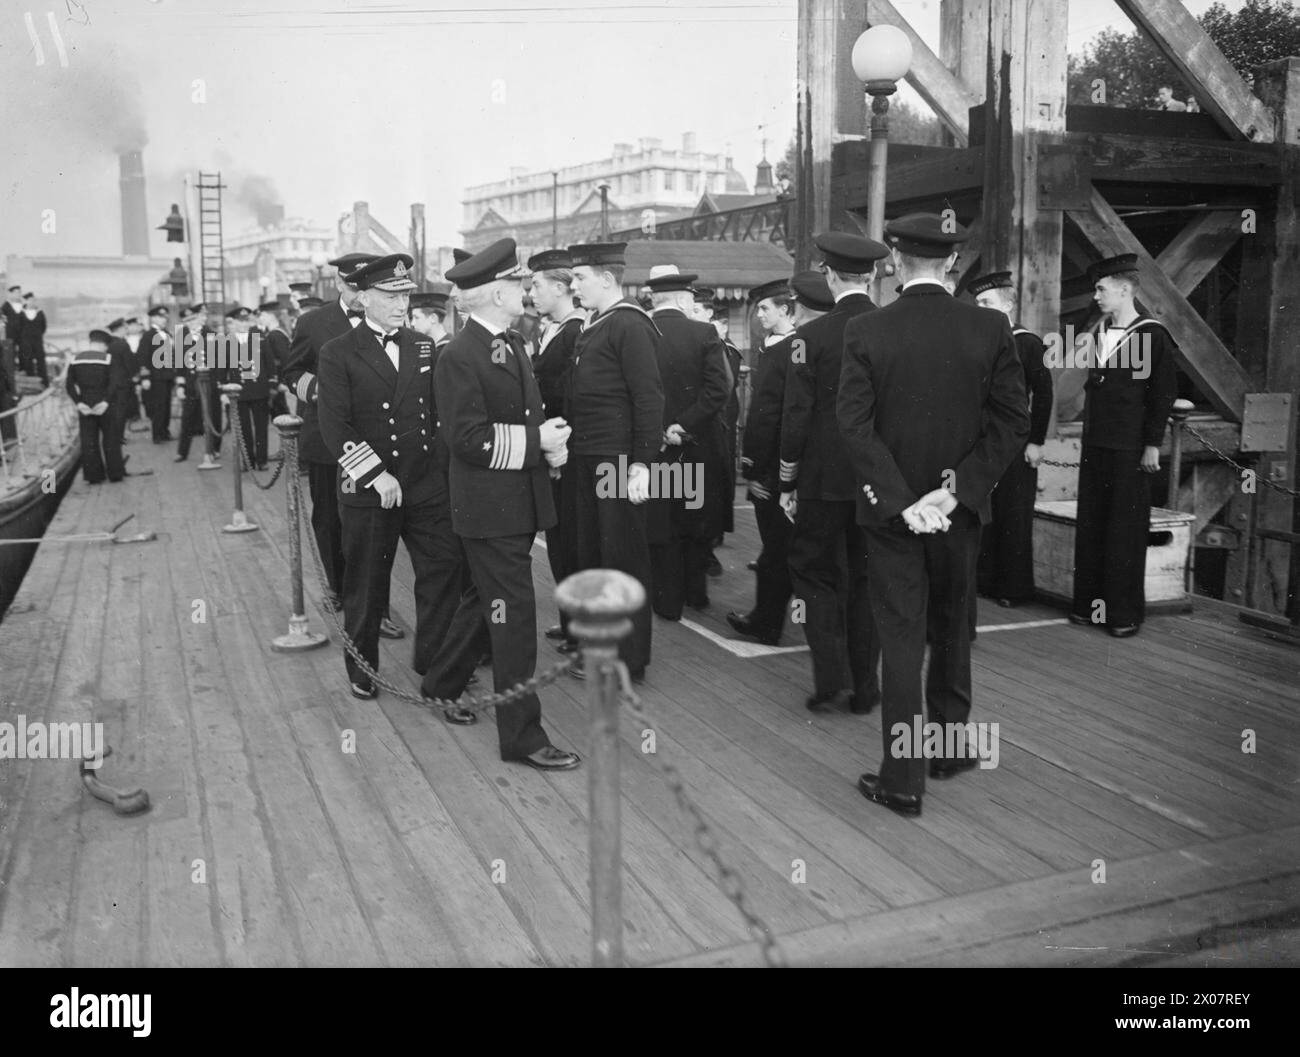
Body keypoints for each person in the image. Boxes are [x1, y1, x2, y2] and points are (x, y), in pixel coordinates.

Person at [838, 213, 1028, 818]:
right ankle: (948, 749)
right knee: (952, 626)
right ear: (950, 264)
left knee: (899, 638)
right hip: (960, 514)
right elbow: (1011, 422)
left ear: (894, 259)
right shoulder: (990, 327)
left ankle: (902, 781)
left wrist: (901, 501)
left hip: (891, 518)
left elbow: (854, 426)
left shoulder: (866, 330)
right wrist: (956, 492)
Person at [418, 239, 580, 770]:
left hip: (510, 502)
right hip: (492, 509)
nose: (525, 290)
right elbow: (467, 439)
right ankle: (522, 739)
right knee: (514, 620)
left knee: (483, 603)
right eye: (516, 284)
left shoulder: (508, 342)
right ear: (492, 294)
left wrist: (542, 435)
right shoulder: (459, 354)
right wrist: (540, 444)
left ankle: (442, 684)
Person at [316, 254, 465, 704]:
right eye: (390, 294)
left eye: (404, 294)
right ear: (363, 298)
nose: (401, 303)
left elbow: (438, 414)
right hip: (372, 490)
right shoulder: (337, 352)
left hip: (424, 485)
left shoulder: (422, 345)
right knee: (365, 586)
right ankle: (362, 667)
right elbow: (335, 426)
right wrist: (375, 474)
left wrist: (437, 471)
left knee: (442, 575)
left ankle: (435, 662)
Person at [779, 232, 887, 715]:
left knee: (815, 574)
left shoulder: (808, 338)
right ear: (872, 274)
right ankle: (866, 688)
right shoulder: (894, 328)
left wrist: (787, 479)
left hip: (821, 481)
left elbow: (796, 417)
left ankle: (829, 679)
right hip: (878, 481)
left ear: (828, 274)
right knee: (868, 579)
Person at [564, 241, 665, 681]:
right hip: (590, 457)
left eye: (580, 278)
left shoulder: (629, 325)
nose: (574, 286)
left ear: (607, 279)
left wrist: (643, 463)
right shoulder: (598, 324)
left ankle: (627, 659)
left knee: (621, 557)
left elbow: (649, 398)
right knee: (595, 555)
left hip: (618, 461)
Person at [282, 253, 397, 631]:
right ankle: (336, 587)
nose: (357, 292)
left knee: (373, 525)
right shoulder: (313, 322)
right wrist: (317, 390)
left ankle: (376, 606)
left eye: (363, 285)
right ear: (338, 284)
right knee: (329, 518)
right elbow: (292, 371)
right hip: (326, 440)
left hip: (375, 437)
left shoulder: (386, 317)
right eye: (351, 285)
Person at [1071, 252, 1178, 638]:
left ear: (1124, 288)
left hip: (1130, 447)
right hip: (1097, 444)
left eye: (1101, 288)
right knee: (1093, 524)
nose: (1096, 295)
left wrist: (1152, 444)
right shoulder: (1100, 332)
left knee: (1124, 530)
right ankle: (1089, 606)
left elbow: (1161, 394)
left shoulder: (1151, 335)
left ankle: (1122, 614)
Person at [729, 272, 830, 645]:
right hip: (779, 467)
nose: (759, 315)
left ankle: (768, 622)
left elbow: (776, 416)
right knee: (782, 549)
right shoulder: (777, 346)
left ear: (788, 310)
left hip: (775, 469)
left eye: (766, 308)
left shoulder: (791, 348)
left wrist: (757, 467)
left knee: (778, 550)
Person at [644, 270, 730, 619]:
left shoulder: (639, 333)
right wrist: (684, 424)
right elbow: (719, 390)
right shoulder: (704, 332)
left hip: (654, 448)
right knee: (694, 520)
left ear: (654, 299)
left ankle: (666, 600)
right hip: (695, 445)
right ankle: (696, 595)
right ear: (683, 300)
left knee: (661, 523)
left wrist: (660, 428)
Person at [969, 271, 1054, 607]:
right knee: (987, 511)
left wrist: (1037, 441)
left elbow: (1044, 393)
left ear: (1007, 305)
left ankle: (1014, 588)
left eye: (986, 302)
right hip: (985, 439)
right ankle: (986, 580)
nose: (980, 308)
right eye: (977, 303)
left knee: (1014, 514)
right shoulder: (980, 339)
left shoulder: (1028, 342)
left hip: (1017, 443)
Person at [525, 248, 585, 649]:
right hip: (553, 449)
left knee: (574, 544)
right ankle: (570, 622)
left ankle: (580, 630)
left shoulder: (578, 332)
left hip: (571, 453)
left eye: (536, 285)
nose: (531, 294)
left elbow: (572, 400)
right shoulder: (553, 329)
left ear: (561, 288)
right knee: (561, 543)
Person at [67, 330, 126, 484]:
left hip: (85, 405)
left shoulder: (75, 359)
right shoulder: (108, 359)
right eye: (106, 346)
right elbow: (114, 383)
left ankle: (94, 476)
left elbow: (69, 385)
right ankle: (115, 473)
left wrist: (79, 403)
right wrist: (105, 402)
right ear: (102, 344)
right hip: (105, 405)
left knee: (89, 441)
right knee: (111, 439)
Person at [235, 302, 284, 470]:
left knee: (261, 427)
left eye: (246, 321)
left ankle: (261, 461)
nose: (243, 324)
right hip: (238, 391)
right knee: (244, 428)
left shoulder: (259, 336)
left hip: (259, 389)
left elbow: (269, 362)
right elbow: (221, 367)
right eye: (239, 321)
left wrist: (273, 383)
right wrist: (223, 390)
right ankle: (248, 460)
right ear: (234, 323)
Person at [138, 304, 177, 442]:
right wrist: (145, 377)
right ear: (153, 318)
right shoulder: (148, 336)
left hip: (167, 375)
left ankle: (165, 432)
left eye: (165, 317)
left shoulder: (167, 334)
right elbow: (143, 358)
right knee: (158, 406)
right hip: (156, 377)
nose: (164, 320)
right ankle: (157, 434)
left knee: (166, 405)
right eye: (160, 317)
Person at [18, 293, 48, 387]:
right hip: (25, 343)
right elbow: (18, 328)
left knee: (41, 362)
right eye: (30, 300)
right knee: (27, 362)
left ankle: (44, 383)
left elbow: (44, 327)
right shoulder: (21, 313)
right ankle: (31, 386)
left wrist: (37, 335)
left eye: (33, 300)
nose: (32, 302)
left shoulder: (40, 312)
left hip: (37, 341)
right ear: (26, 301)